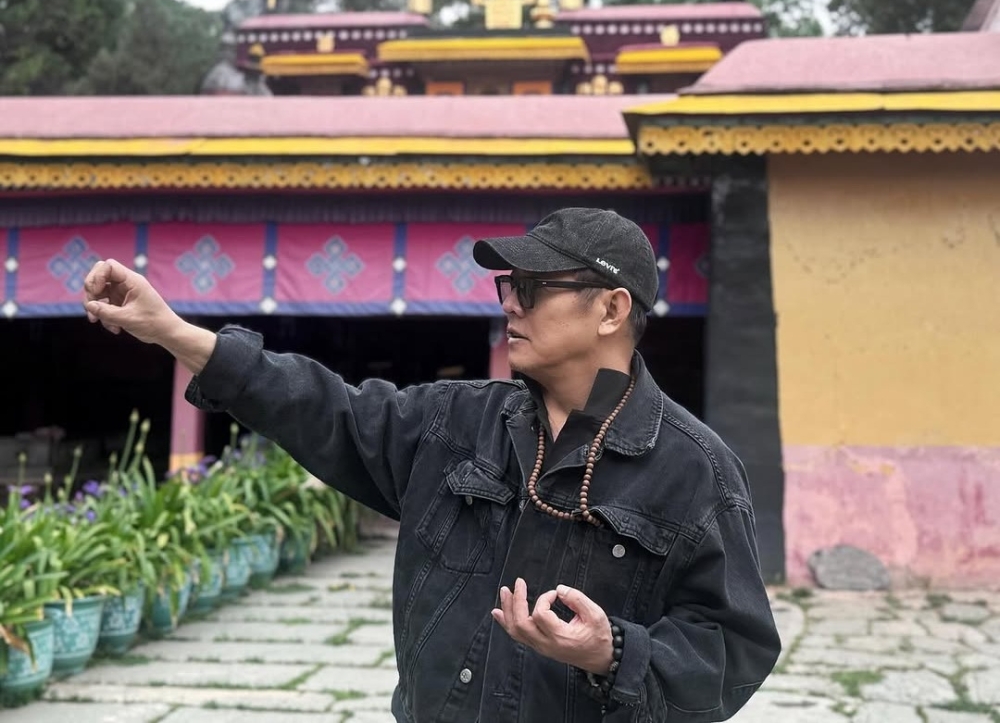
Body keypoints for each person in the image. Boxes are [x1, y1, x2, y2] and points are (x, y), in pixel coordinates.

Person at [83, 207, 780, 722]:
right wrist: (173, 332)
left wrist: (614, 653)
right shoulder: (453, 423)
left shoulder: (696, 470)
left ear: (611, 309)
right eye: (507, 286)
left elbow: (735, 648)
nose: (510, 305)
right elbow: (322, 407)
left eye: (533, 288)